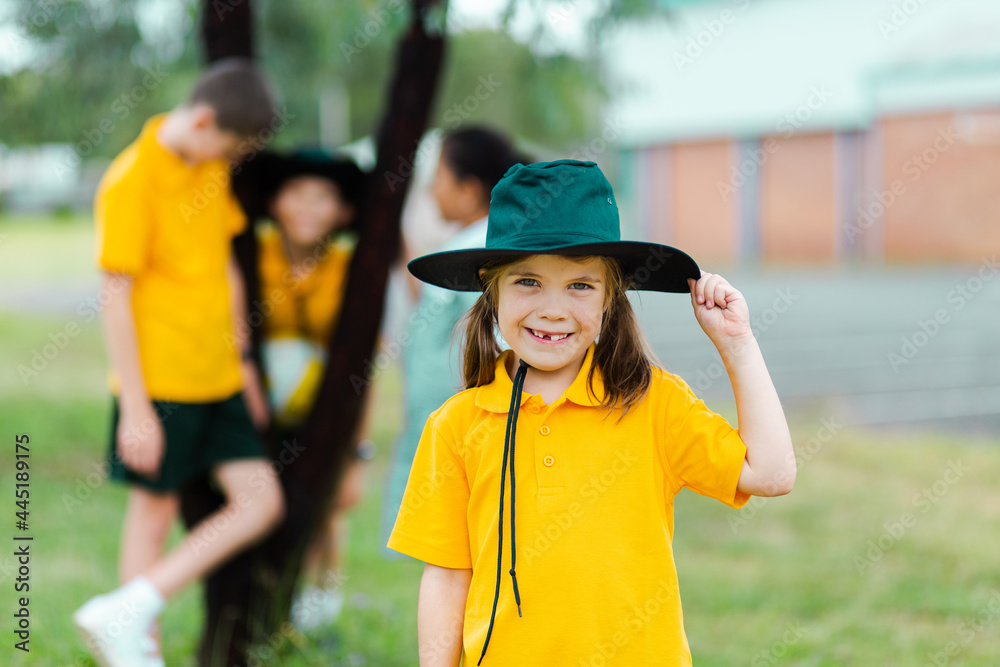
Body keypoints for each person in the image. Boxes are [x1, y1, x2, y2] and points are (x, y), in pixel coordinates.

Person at [388, 159, 796, 666]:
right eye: (527, 282)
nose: (553, 309)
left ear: (609, 300)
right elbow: (448, 575)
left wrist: (737, 343)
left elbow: (772, 473)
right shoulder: (456, 424)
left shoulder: (652, 403)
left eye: (580, 285)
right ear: (491, 292)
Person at [73, 58, 286, 667]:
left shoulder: (209, 166)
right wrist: (136, 410)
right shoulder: (130, 180)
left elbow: (223, 265)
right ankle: (139, 651)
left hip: (218, 377)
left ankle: (126, 611)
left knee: (261, 500)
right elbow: (114, 294)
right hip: (160, 385)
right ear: (204, 119)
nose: (233, 157)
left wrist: (244, 361)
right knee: (154, 513)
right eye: (234, 144)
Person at [237, 147, 375, 630]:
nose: (308, 208)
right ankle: (258, 601)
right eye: (297, 194)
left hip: (324, 414)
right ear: (275, 202)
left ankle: (321, 603)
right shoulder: (254, 255)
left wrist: (358, 450)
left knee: (323, 509)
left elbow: (367, 363)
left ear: (345, 212)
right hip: (259, 412)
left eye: (323, 198)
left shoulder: (351, 267)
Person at [383, 127, 524, 549]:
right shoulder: (466, 244)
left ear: (468, 191)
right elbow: (432, 308)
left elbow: (500, 339)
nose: (429, 188)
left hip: (469, 430)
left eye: (438, 177)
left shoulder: (480, 254)